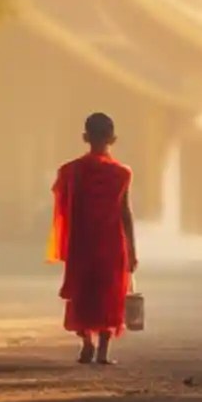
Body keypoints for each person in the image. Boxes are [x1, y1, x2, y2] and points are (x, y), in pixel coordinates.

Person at [45, 112, 138, 364]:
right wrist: (132, 250)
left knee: (83, 292)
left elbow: (63, 205)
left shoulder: (71, 171)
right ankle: (103, 352)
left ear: (85, 137)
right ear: (113, 138)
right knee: (109, 294)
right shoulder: (121, 173)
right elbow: (125, 213)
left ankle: (86, 342)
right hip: (111, 244)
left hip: (82, 243)